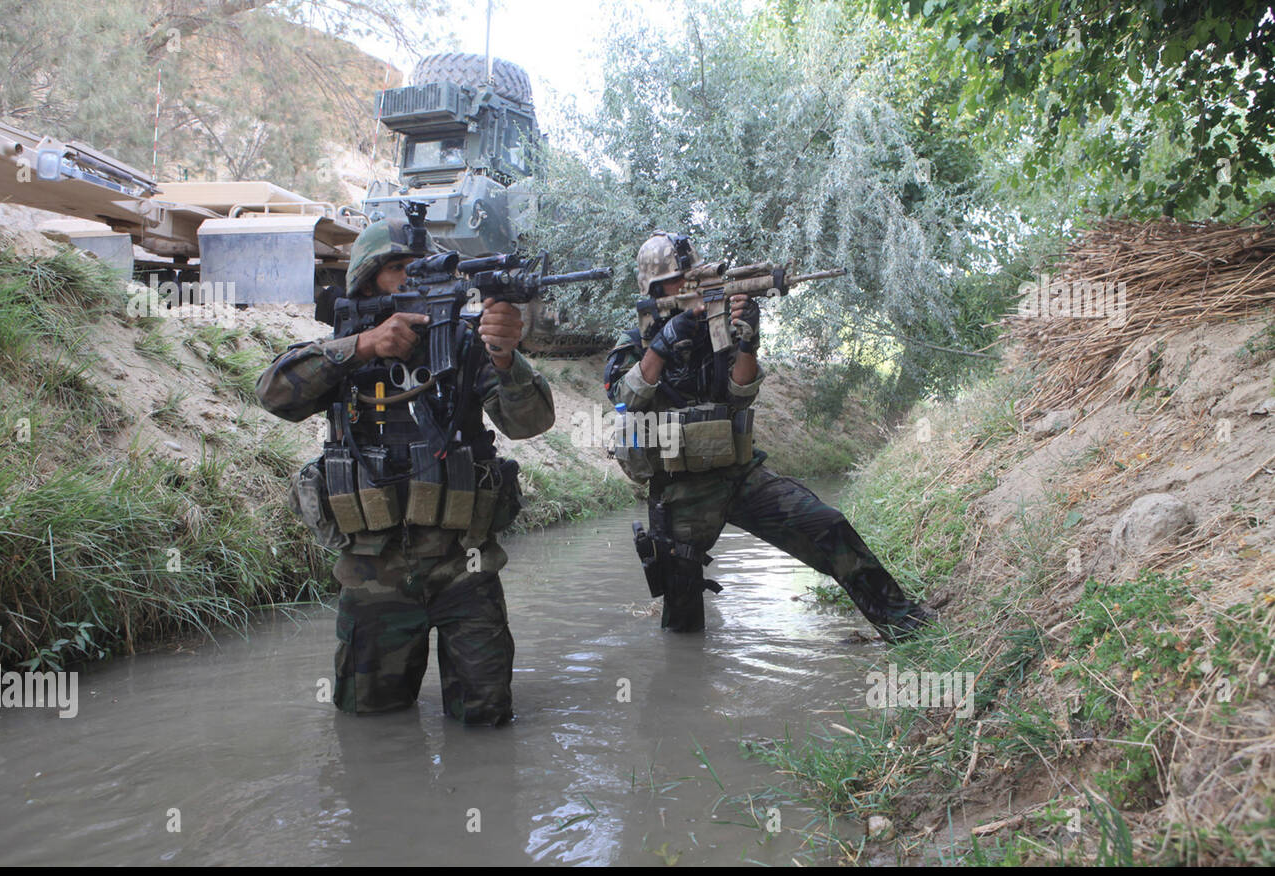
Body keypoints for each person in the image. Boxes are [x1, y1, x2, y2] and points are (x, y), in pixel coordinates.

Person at [256, 217, 555, 724]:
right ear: (367, 281)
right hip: (373, 572)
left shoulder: (465, 342)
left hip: (466, 568)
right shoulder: (345, 347)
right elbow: (273, 394)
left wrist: (505, 356)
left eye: (422, 269)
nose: (411, 278)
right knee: (369, 723)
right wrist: (363, 347)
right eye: (397, 268)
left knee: (485, 719)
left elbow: (530, 422)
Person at [605, 230, 933, 640]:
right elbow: (622, 401)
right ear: (655, 289)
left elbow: (741, 393)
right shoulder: (637, 342)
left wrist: (747, 340)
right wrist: (664, 345)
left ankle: (906, 624)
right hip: (678, 492)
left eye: (694, 280)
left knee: (825, 524)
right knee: (682, 625)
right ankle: (683, 687)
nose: (690, 289)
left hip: (737, 475)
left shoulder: (714, 328)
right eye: (679, 282)